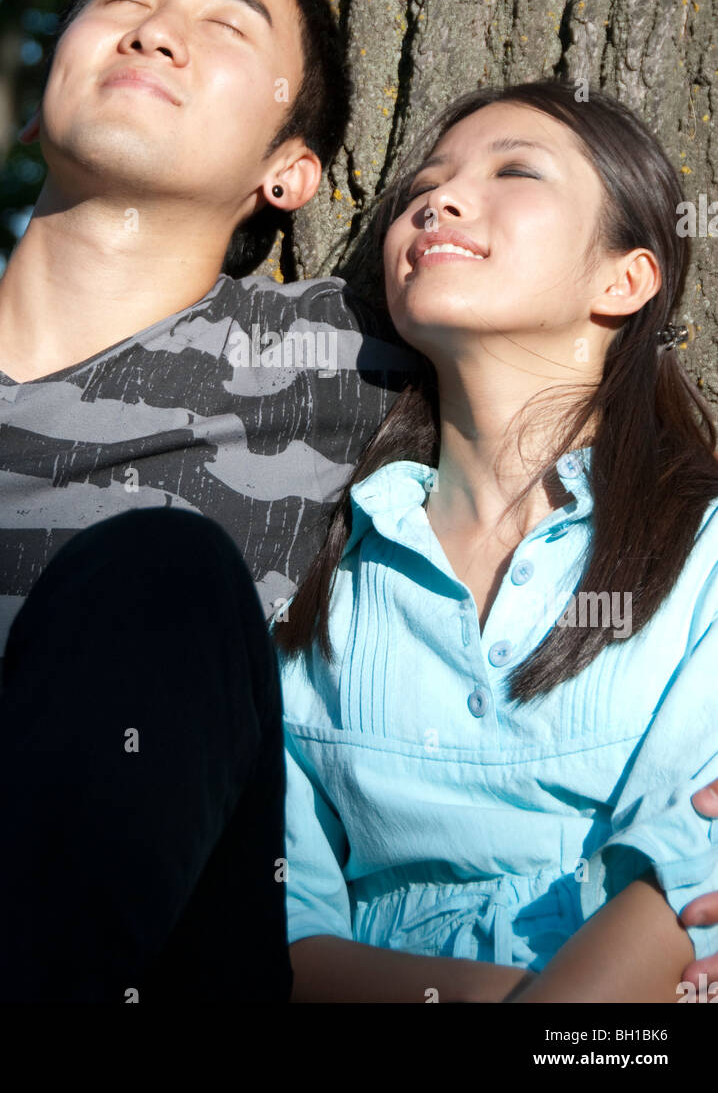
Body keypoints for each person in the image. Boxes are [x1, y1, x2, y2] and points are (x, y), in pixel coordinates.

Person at [0, 0, 414, 1001]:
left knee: (164, 575)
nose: (154, 32)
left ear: (288, 173)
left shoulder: (337, 367)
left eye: (223, 24)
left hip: (96, 951)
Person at [274, 79, 718, 1002]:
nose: (436, 199)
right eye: (419, 190)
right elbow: (292, 933)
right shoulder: (326, 571)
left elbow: (688, 870)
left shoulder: (704, 546)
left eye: (516, 170)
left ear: (624, 278)